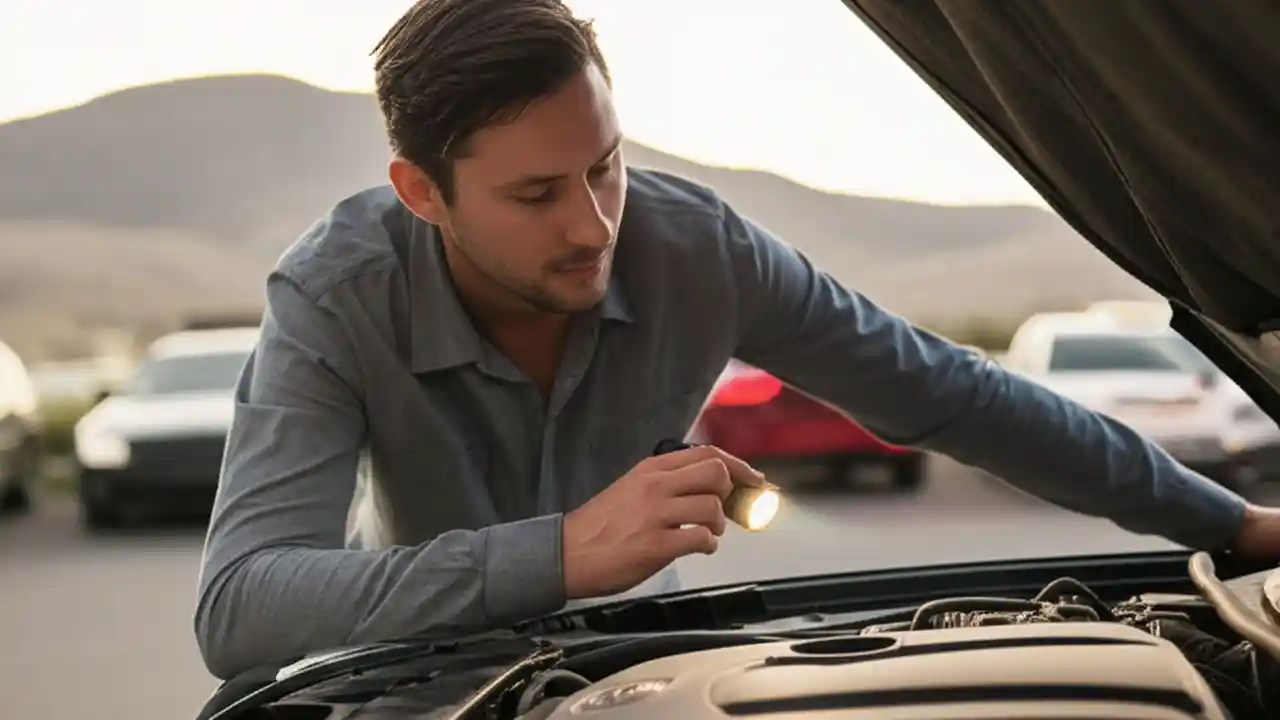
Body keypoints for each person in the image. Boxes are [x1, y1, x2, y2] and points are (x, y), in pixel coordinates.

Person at [194, 0, 1280, 680]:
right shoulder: (333, 294)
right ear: (420, 192)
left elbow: (951, 395)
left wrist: (1225, 523)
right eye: (534, 194)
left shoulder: (693, 245)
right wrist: (562, 553)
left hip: (658, 669)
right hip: (426, 687)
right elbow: (241, 607)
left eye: (604, 165)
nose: (593, 225)